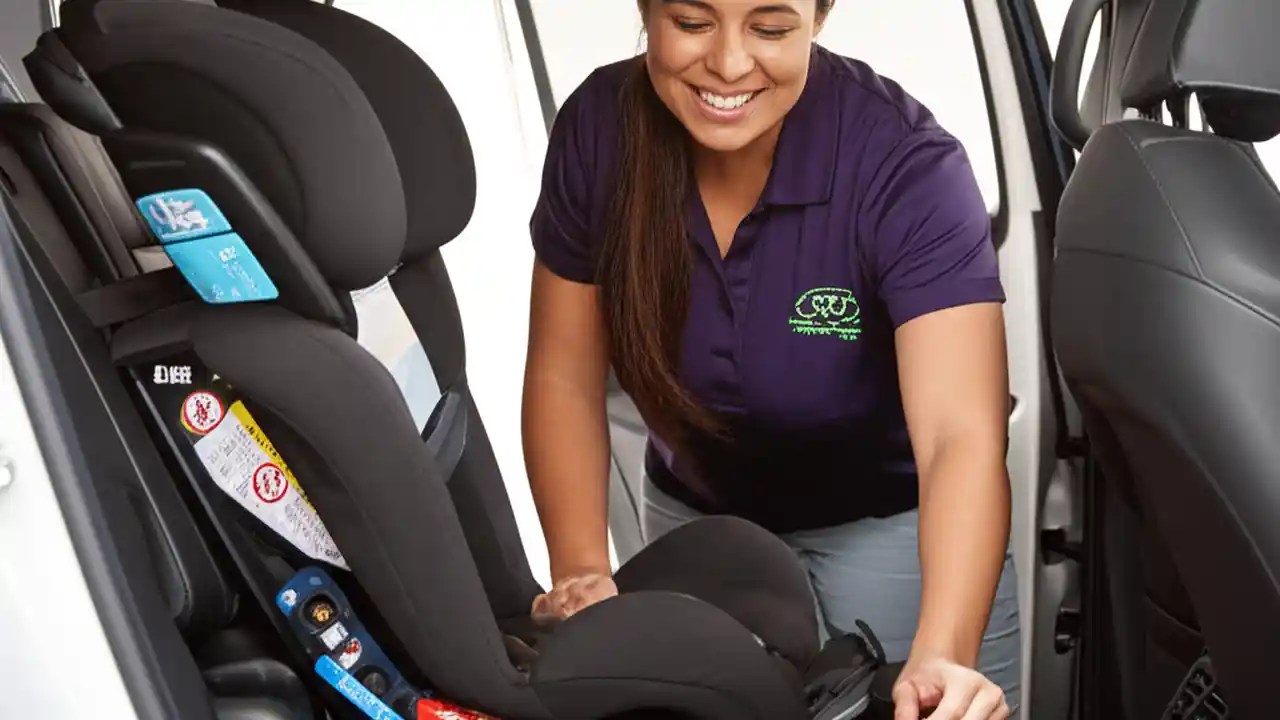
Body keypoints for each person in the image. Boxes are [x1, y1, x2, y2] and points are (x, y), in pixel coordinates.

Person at [521, 1, 1020, 718]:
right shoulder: (598, 131)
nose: (727, 64)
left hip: (897, 532)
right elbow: (564, 377)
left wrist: (943, 653)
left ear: (819, 18)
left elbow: (959, 435)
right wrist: (581, 572)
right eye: (692, 23)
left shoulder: (906, 164)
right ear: (644, 9)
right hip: (701, 531)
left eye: (770, 28)